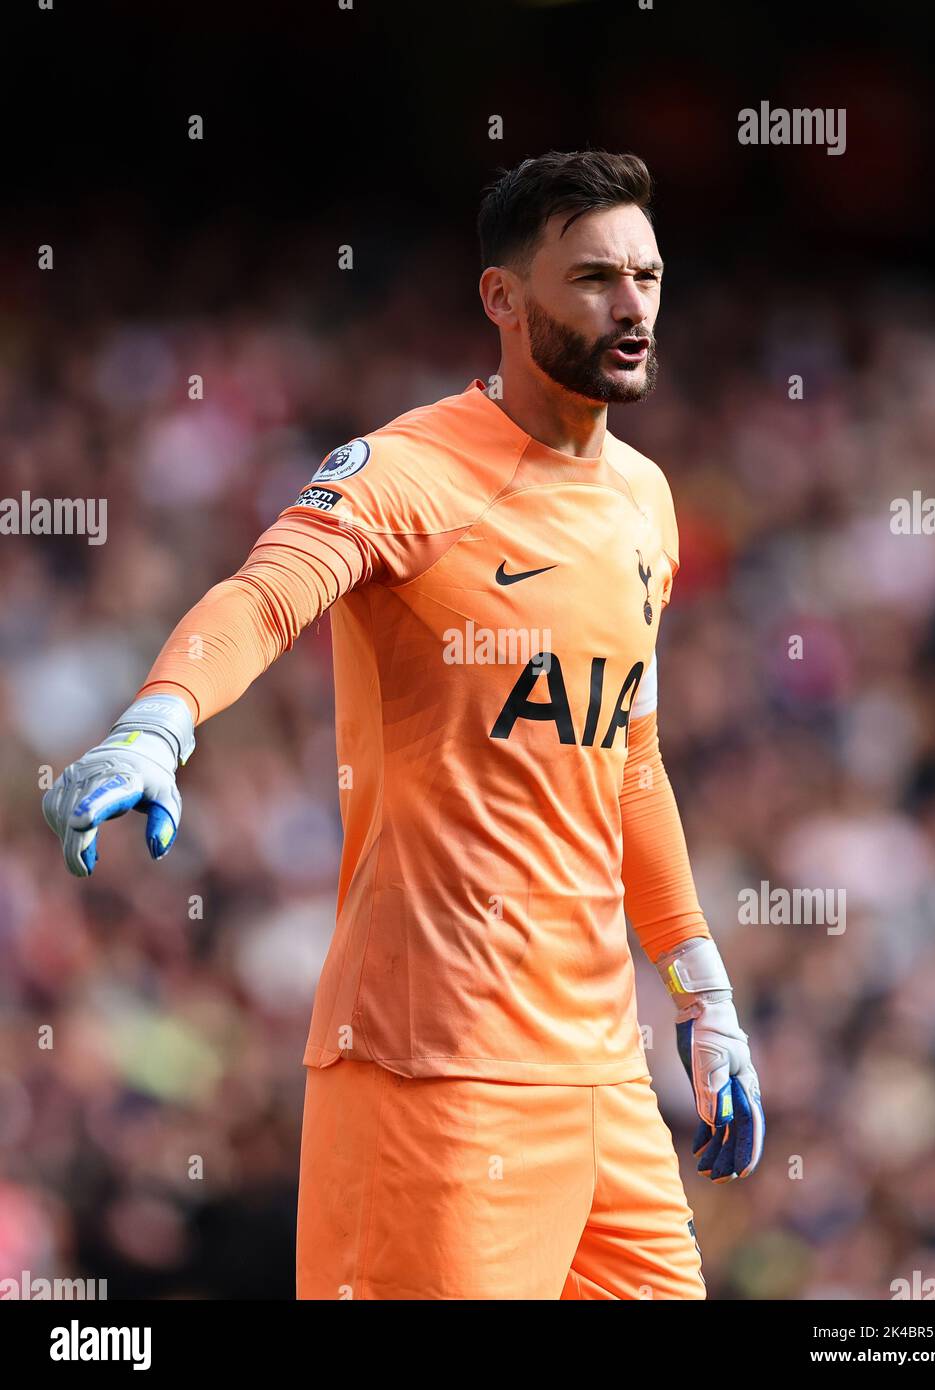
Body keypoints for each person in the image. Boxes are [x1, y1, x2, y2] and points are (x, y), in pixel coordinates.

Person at [43, 149, 764, 1300]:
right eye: (590, 279)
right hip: (434, 1067)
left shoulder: (645, 499)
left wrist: (702, 994)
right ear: (501, 298)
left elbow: (624, 759)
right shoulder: (406, 472)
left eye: (647, 274)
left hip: (600, 1076)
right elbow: (262, 593)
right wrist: (157, 727)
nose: (630, 306)